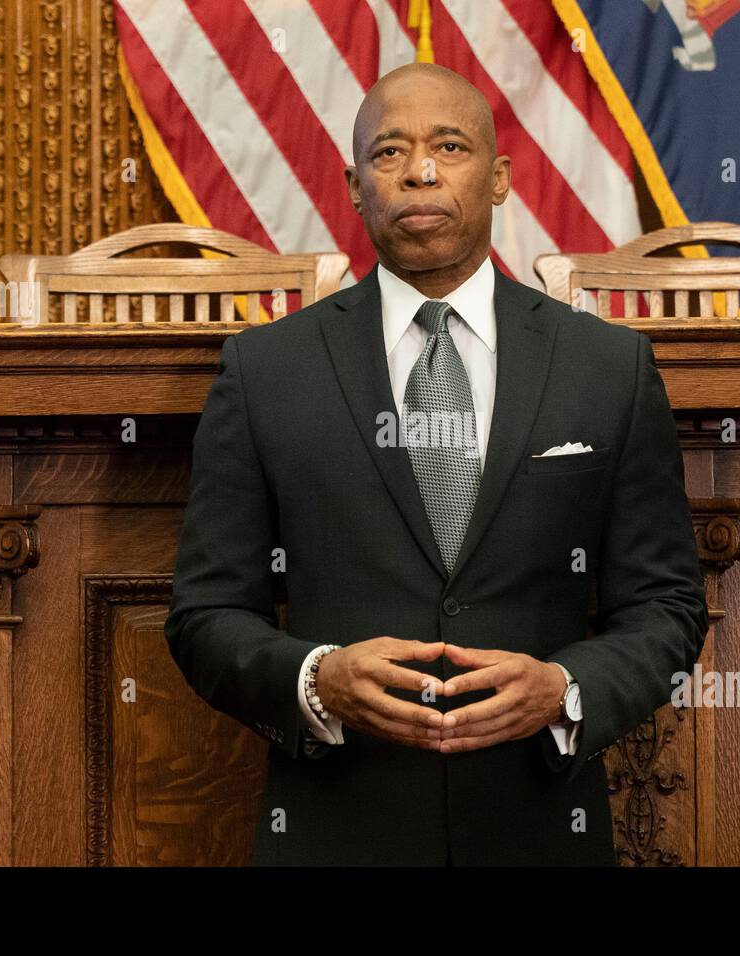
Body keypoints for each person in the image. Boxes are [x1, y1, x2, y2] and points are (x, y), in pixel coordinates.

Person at [164, 62, 709, 866]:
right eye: (389, 154)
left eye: (448, 146)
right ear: (353, 186)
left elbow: (667, 606)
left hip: (540, 829)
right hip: (337, 831)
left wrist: (566, 691)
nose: (419, 170)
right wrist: (316, 680)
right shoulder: (266, 372)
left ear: (498, 179)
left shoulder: (606, 367)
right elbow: (204, 615)